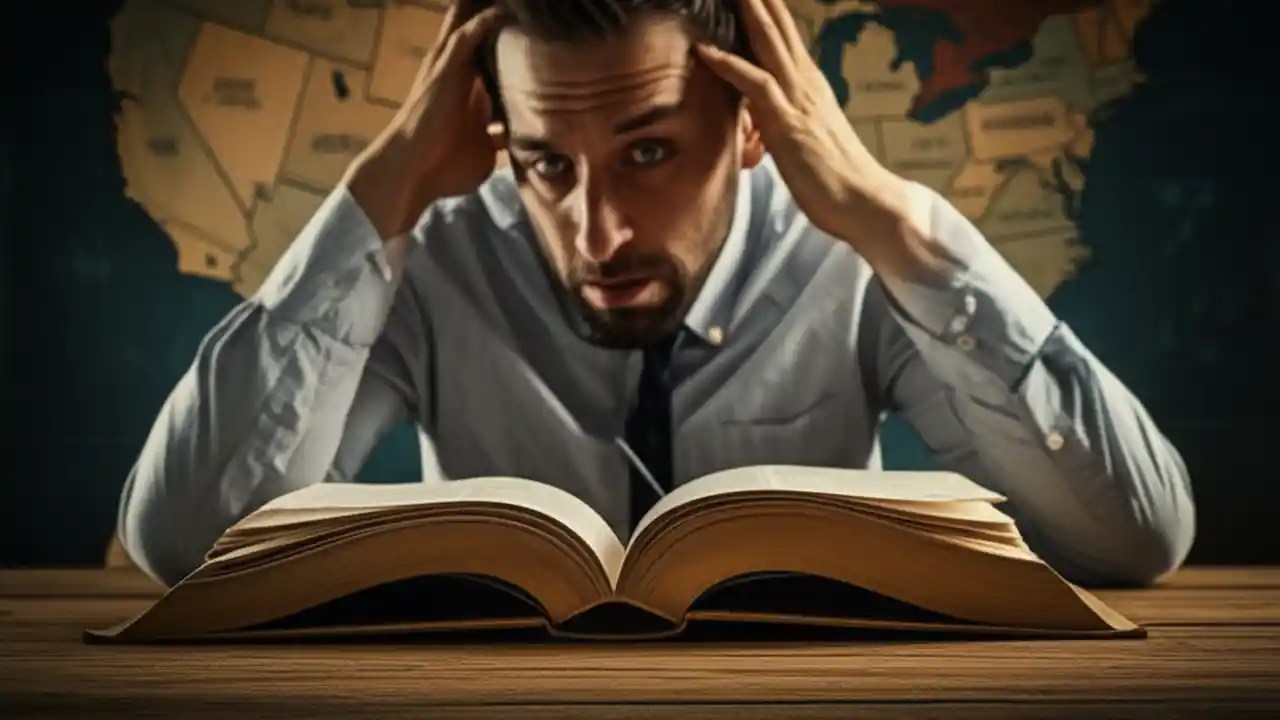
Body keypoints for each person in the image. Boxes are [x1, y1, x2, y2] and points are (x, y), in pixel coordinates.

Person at [116, 0, 1195, 589]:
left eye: (647, 153)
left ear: (753, 124)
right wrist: (380, 188)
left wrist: (889, 218)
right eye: (545, 162)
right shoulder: (426, 260)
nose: (594, 233)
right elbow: (186, 548)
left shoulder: (854, 259)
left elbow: (1134, 538)